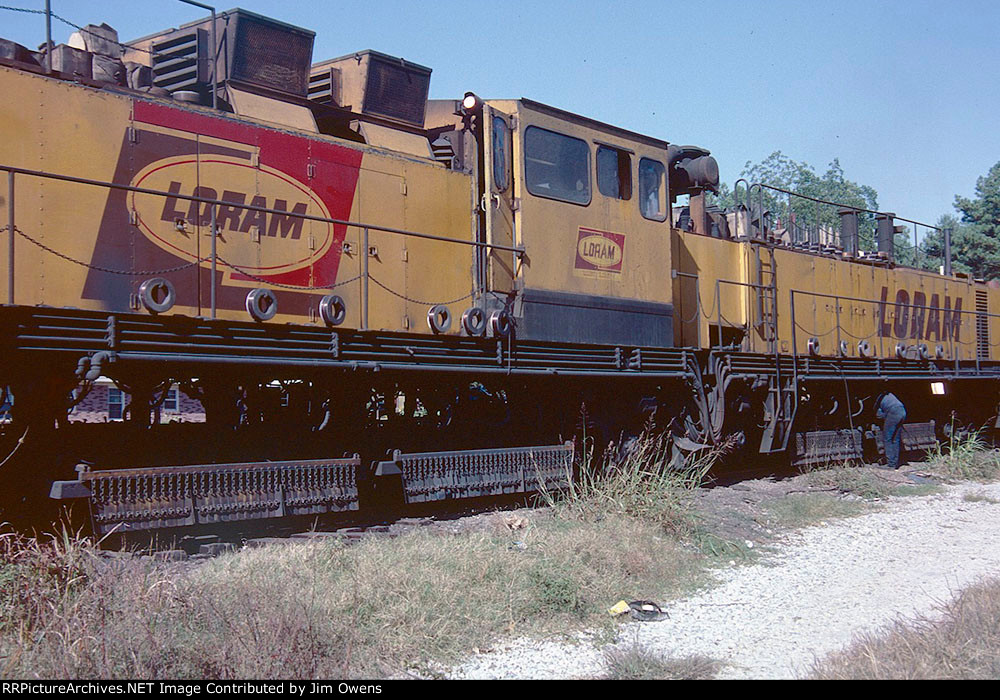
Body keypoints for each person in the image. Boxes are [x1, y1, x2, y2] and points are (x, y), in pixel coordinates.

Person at [875, 390, 907, 469]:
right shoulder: (889, 395)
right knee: (896, 439)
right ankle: (895, 463)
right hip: (902, 410)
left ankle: (891, 465)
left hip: (893, 412)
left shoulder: (877, 398)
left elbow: (879, 415)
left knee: (887, 438)